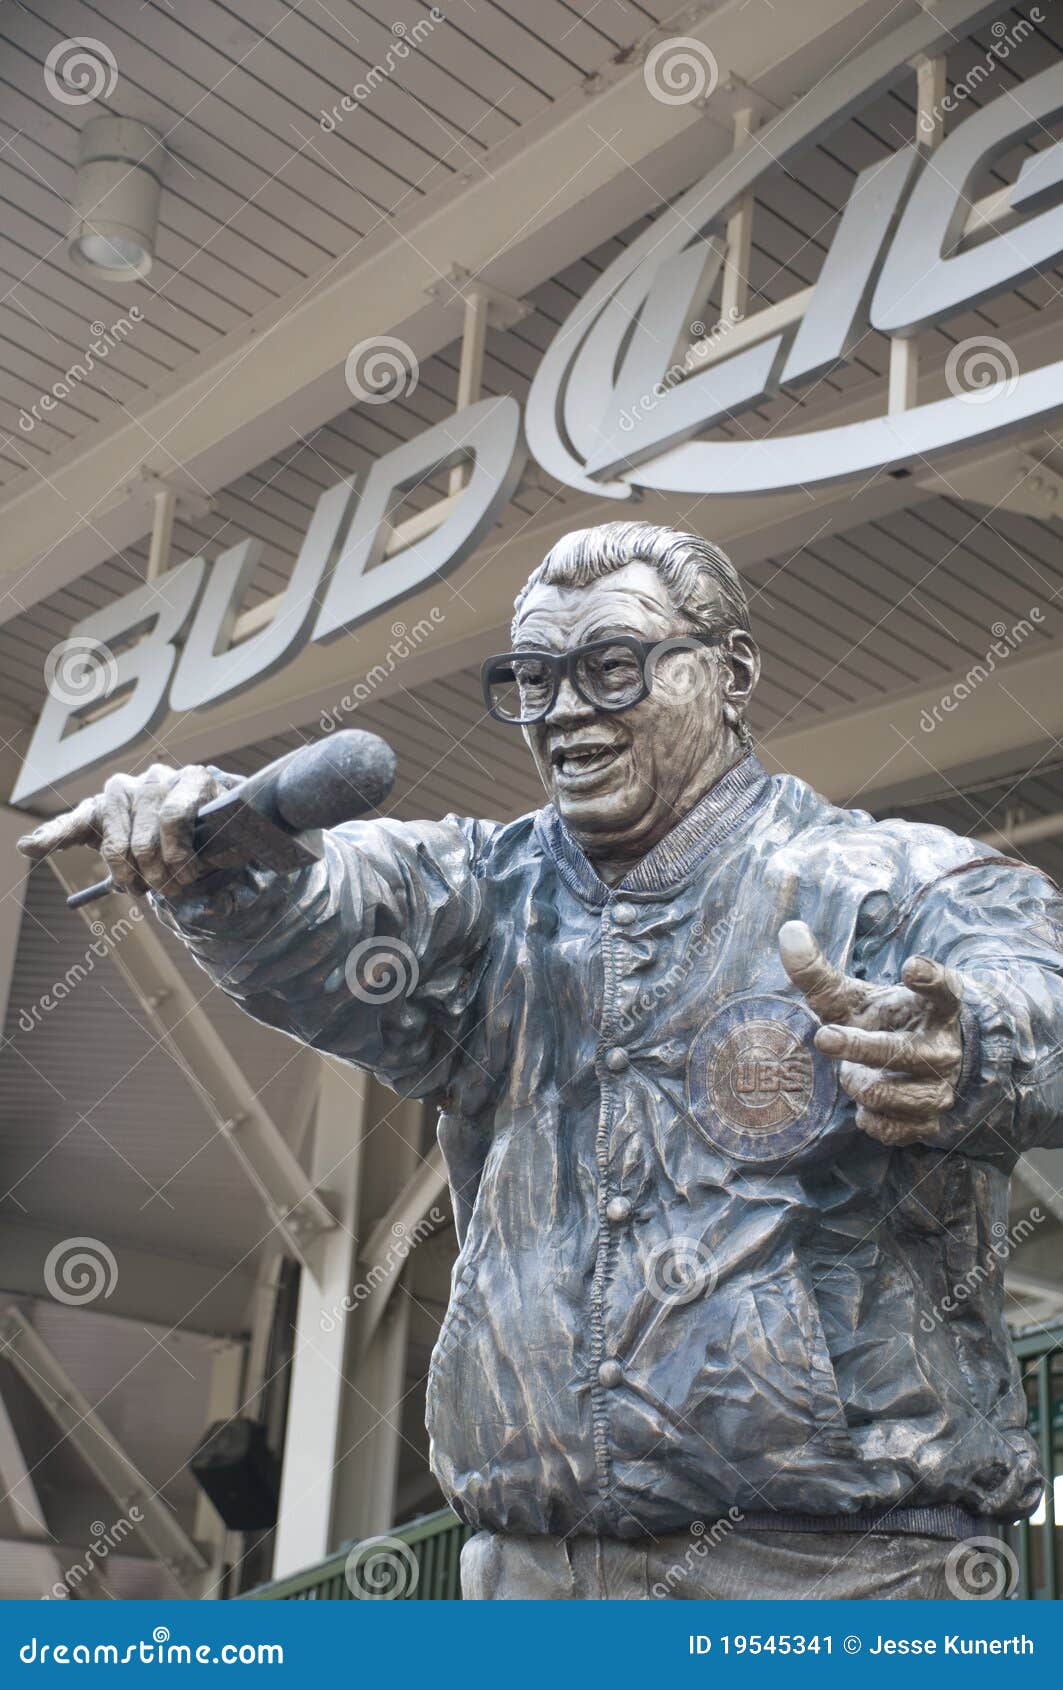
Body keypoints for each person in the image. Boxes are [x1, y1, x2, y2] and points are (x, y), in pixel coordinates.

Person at [19, 522, 1063, 1600]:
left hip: (848, 1577)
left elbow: (1046, 1001)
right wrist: (214, 853)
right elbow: (321, 905)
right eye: (533, 678)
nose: (565, 710)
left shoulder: (901, 881)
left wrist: (979, 1044)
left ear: (730, 670)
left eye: (612, 667)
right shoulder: (481, 892)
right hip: (530, 1575)